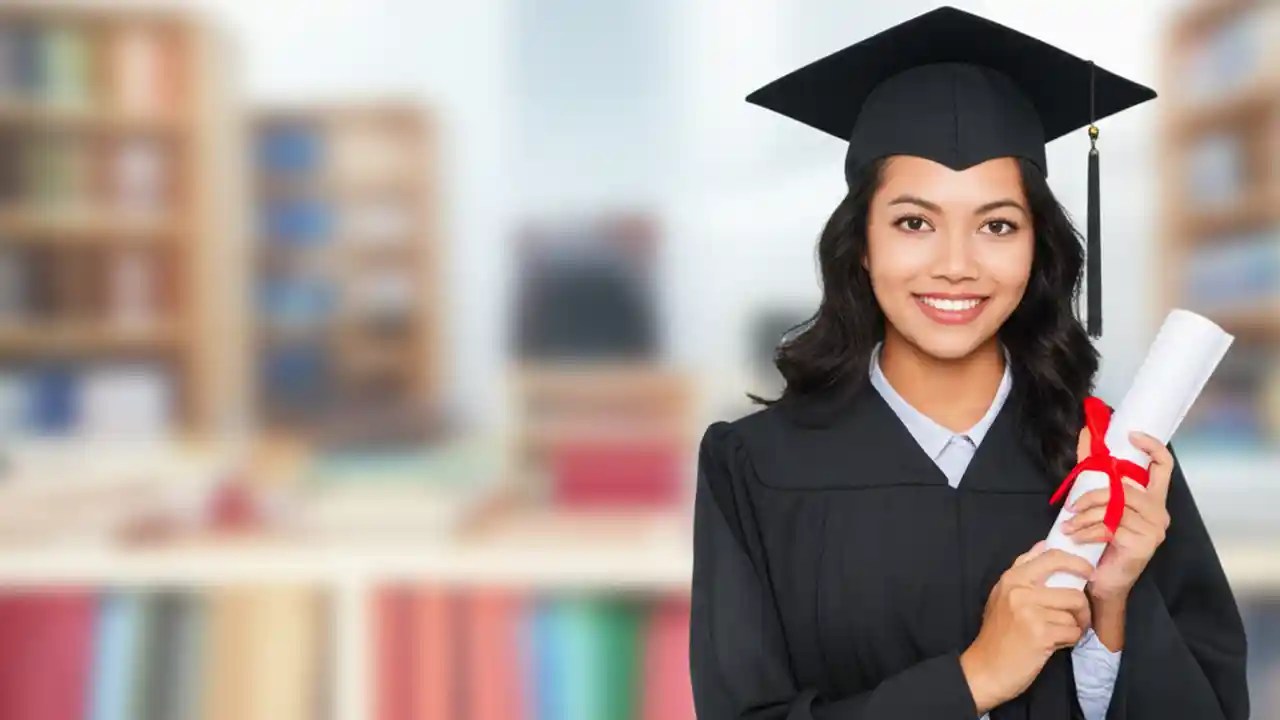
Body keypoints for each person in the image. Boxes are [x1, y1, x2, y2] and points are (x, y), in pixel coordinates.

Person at [689, 7, 1249, 720]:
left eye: (997, 225)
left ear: (1036, 247)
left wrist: (1113, 613)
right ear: (860, 243)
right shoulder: (756, 468)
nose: (956, 266)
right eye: (914, 222)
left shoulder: (1112, 460)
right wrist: (974, 678)